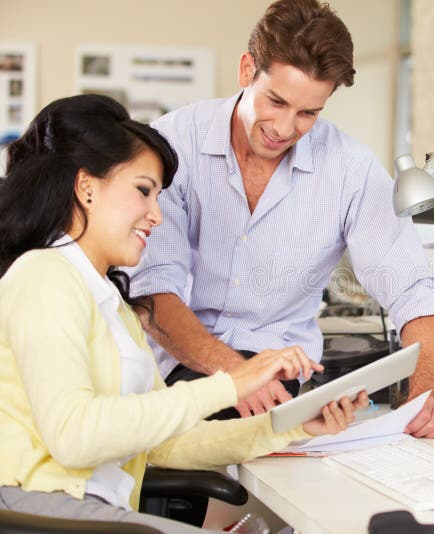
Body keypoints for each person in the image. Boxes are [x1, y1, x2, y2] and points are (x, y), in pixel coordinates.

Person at [0, 94, 368, 533]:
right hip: (40, 511)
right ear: (87, 187)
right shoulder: (44, 274)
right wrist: (230, 385)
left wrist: (292, 428)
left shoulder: (113, 303)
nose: (156, 215)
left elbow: (166, 445)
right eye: (142, 191)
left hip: (95, 514)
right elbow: (74, 436)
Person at [127, 0, 434, 438]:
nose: (284, 128)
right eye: (275, 101)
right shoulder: (173, 144)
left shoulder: (349, 167)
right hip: (177, 367)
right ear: (247, 70)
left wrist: (426, 395)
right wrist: (234, 378)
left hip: (284, 380)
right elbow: (153, 292)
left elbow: (415, 289)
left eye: (307, 113)